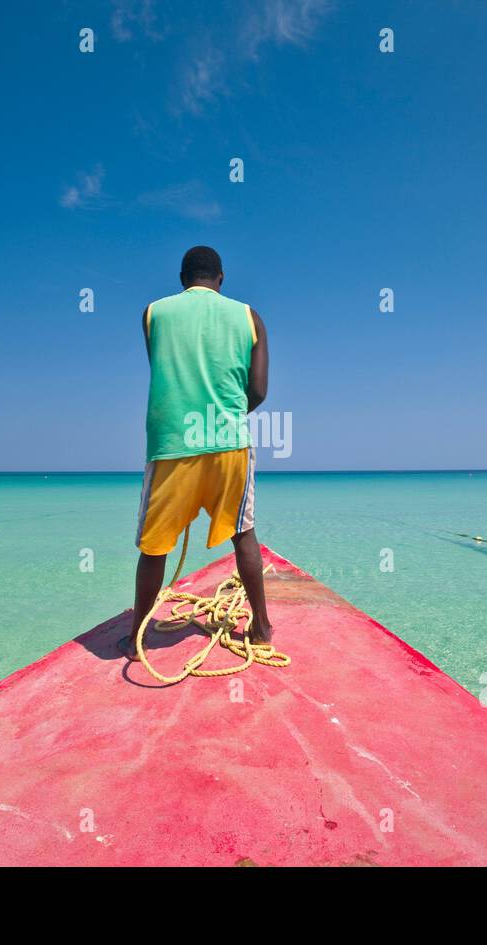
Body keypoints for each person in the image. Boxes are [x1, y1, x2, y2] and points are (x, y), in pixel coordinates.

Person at [121, 246, 273, 661]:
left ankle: (138, 638)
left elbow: (165, 367)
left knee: (154, 547)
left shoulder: (153, 313)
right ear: (220, 278)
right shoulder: (249, 316)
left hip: (171, 445)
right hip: (229, 444)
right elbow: (258, 390)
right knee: (243, 534)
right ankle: (261, 628)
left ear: (182, 278)